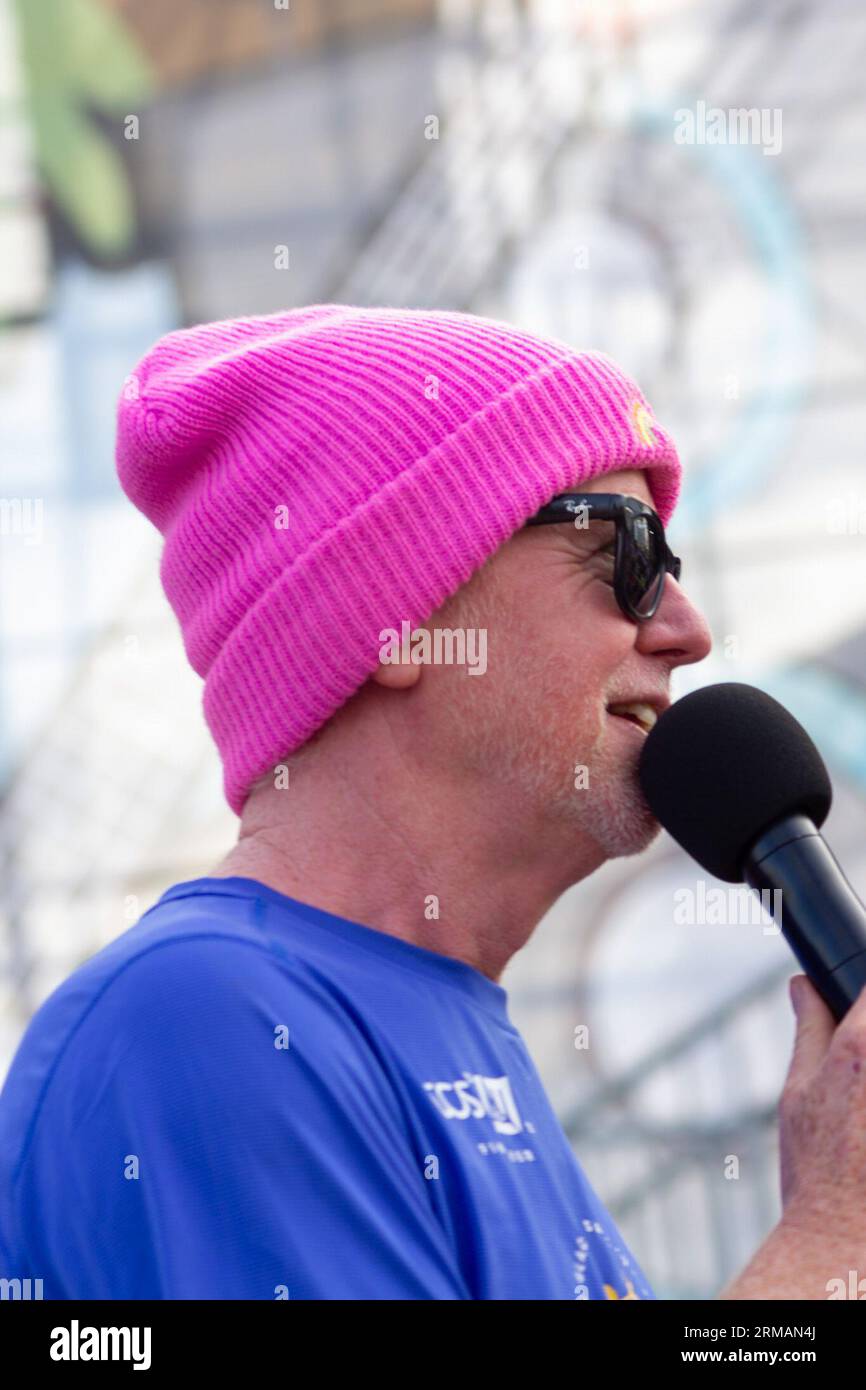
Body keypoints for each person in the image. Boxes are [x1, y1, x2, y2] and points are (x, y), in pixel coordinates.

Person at [0, 306, 856, 1299]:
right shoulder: (205, 1018)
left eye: (671, 570)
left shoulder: (436, 1023)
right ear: (395, 619)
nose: (684, 628)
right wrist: (828, 1241)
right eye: (622, 558)